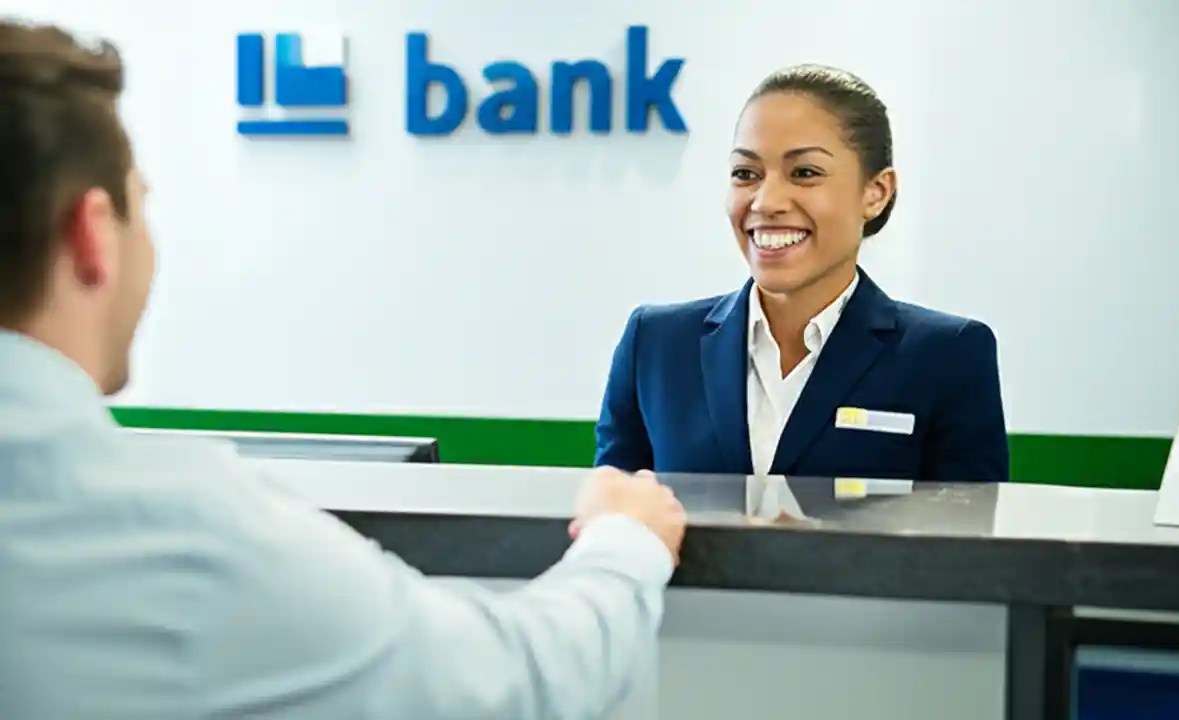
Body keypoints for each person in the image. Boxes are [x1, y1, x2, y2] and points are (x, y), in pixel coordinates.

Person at [0, 20, 686, 719]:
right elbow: (510, 681)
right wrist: (624, 543)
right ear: (92, 235)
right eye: (140, 204)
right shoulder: (171, 537)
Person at [595, 64, 1009, 482]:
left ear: (876, 193)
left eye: (805, 173)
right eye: (746, 174)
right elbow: (614, 522)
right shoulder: (656, 345)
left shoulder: (947, 355)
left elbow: (967, 544)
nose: (766, 200)